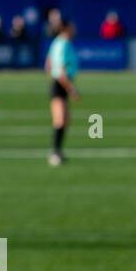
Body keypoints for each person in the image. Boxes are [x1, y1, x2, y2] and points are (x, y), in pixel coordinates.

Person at [45, 19, 80, 166]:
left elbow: (48, 63)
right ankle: (54, 153)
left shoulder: (59, 42)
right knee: (60, 119)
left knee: (65, 119)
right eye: (72, 26)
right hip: (61, 84)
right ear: (66, 28)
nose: (74, 29)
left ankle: (58, 151)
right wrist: (70, 88)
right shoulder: (62, 44)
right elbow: (60, 69)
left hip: (61, 83)